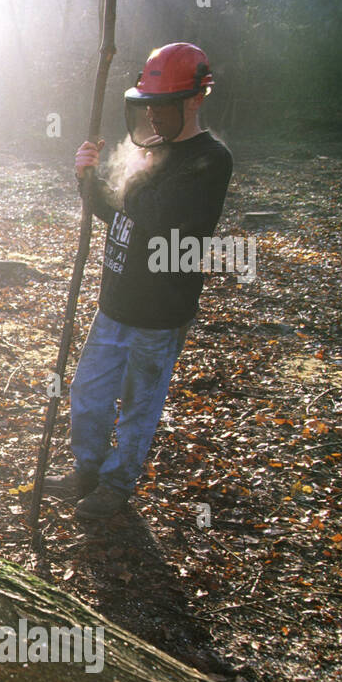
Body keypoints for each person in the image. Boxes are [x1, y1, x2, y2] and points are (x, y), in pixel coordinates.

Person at [45, 42, 233, 519]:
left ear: (194, 100)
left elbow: (157, 217)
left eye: (161, 107)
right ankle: (86, 470)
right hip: (115, 305)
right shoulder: (149, 153)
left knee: (139, 406)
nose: (151, 119)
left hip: (159, 313)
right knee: (87, 393)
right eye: (147, 107)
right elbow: (117, 214)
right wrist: (87, 178)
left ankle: (115, 484)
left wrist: (121, 183)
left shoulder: (209, 160)